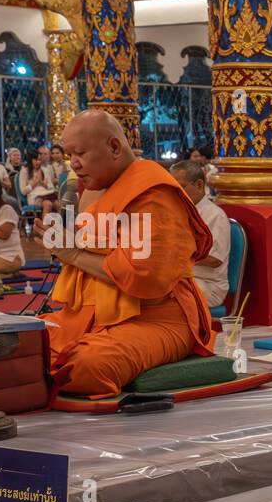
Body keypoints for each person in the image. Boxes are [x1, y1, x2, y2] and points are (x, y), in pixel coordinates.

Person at [32, 110, 215, 399]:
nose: (74, 164)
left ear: (114, 147)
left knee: (89, 366)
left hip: (155, 318)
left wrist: (72, 253)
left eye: (80, 153)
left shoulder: (152, 194)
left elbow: (143, 276)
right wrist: (66, 245)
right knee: (18, 344)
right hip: (90, 315)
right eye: (69, 155)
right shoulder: (94, 189)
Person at [170, 160, 231, 310]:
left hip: (208, 285)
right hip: (183, 278)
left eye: (181, 187)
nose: (176, 193)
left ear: (199, 185)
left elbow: (214, 260)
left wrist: (176, 254)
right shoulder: (177, 212)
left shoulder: (214, 215)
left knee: (164, 292)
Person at [19, 149, 58, 213]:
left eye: (39, 160)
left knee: (59, 204)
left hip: (47, 193)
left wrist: (43, 184)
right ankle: (44, 223)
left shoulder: (44, 170)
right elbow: (23, 191)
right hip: (35, 196)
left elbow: (51, 187)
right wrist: (35, 182)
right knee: (48, 204)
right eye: (36, 160)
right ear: (30, 160)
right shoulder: (25, 171)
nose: (38, 162)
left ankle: (60, 223)